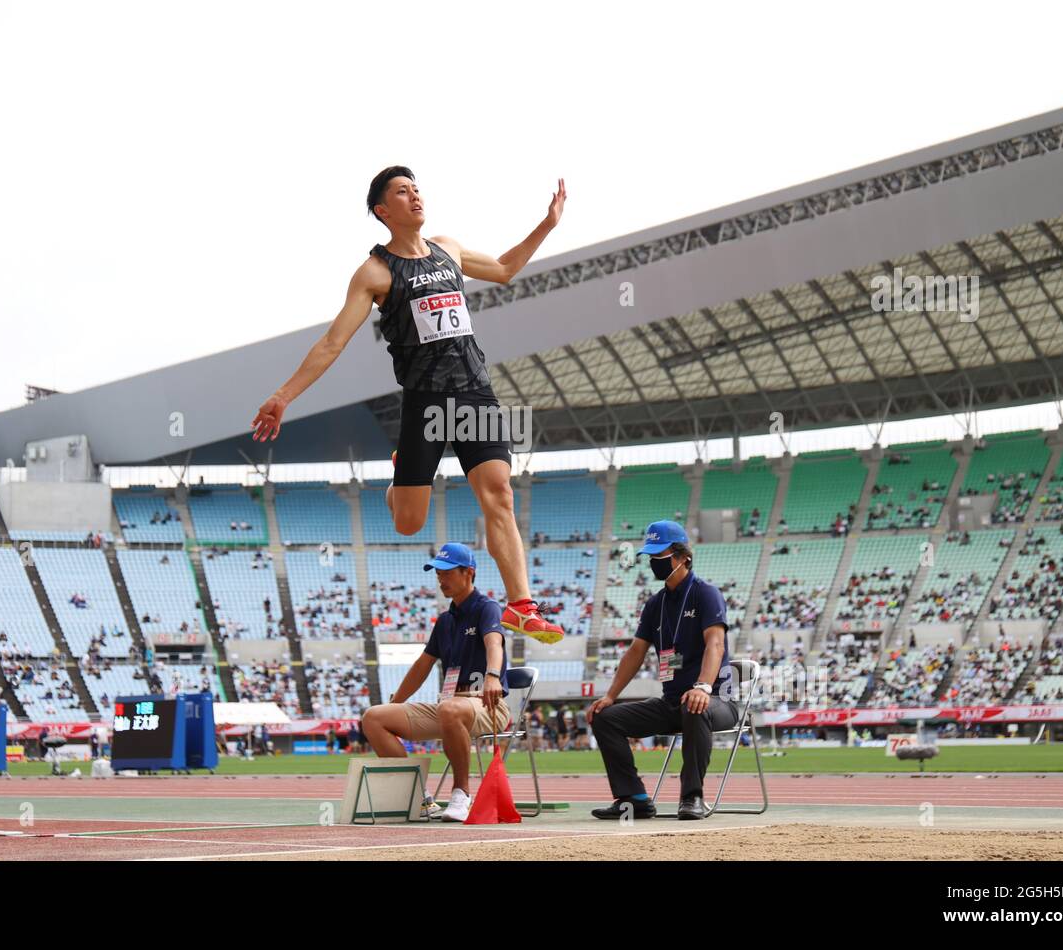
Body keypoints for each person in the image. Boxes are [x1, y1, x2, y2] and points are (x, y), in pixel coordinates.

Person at [250, 167, 568, 646]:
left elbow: (503, 270)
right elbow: (333, 342)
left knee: (499, 491)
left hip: (475, 391)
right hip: (427, 402)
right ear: (383, 211)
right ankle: (401, 478)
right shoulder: (375, 273)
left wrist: (547, 225)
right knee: (408, 521)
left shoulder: (448, 249)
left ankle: (521, 605)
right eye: (403, 191)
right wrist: (282, 395)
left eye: (417, 188)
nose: (415, 195)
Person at [587, 520, 739, 821]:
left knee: (694, 705)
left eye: (661, 555)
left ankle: (692, 796)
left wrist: (703, 687)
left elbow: (716, 645)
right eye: (651, 557)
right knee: (604, 717)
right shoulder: (655, 604)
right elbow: (635, 653)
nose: (655, 562)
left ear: (682, 557)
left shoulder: (705, 593)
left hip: (716, 700)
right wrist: (610, 696)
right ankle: (635, 798)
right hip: (672, 702)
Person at [360, 542, 511, 823]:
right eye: (437, 573)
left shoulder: (487, 607)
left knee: (449, 708)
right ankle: (418, 798)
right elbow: (422, 666)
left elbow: (495, 643)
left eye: (446, 572)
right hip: (449, 705)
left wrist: (492, 676)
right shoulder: (444, 621)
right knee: (374, 717)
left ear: (468, 572)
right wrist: (395, 703)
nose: (440, 579)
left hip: (488, 704)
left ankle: (461, 794)